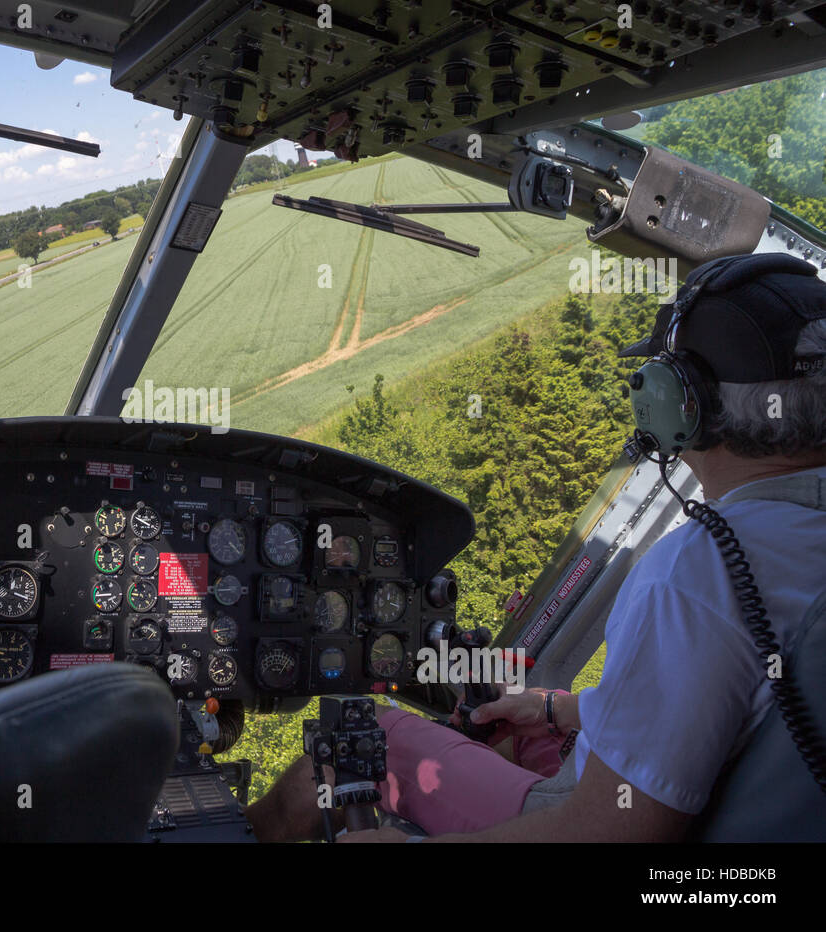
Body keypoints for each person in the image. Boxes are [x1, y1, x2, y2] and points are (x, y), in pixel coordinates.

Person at [247, 254, 826, 842]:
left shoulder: (699, 571)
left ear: (683, 403)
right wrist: (554, 710)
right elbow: (722, 700)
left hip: (593, 821)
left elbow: (609, 834)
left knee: (370, 736)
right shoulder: (788, 545)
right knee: (518, 724)